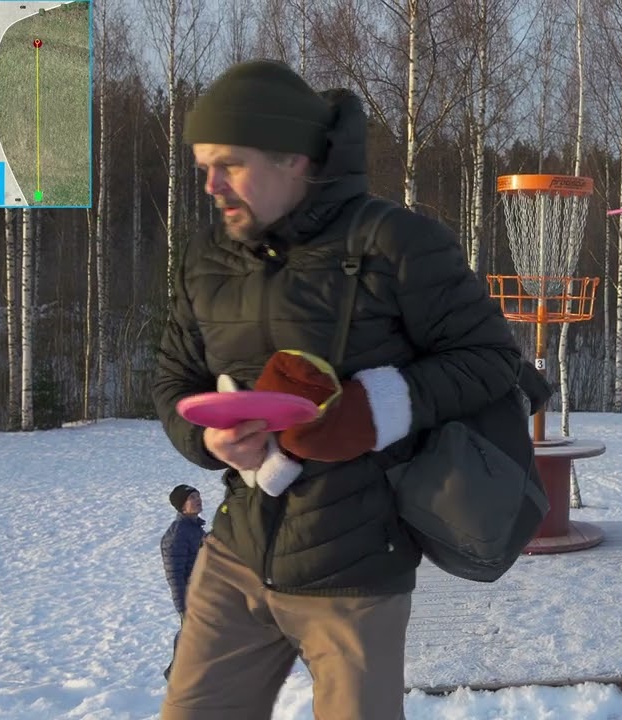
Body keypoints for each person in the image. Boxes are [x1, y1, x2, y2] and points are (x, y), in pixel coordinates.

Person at [151, 59, 543, 720]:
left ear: (294, 159)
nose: (211, 183)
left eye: (229, 163)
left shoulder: (397, 243)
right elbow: (172, 380)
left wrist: (377, 408)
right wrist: (210, 439)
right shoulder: (207, 259)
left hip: (358, 566)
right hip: (237, 553)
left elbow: (490, 360)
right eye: (204, 165)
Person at [160, 484, 206, 681]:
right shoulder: (177, 534)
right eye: (191, 498)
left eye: (197, 496)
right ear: (182, 506)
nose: (197, 500)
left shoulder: (196, 528)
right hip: (190, 594)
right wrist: (182, 606)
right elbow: (174, 574)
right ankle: (175, 675)